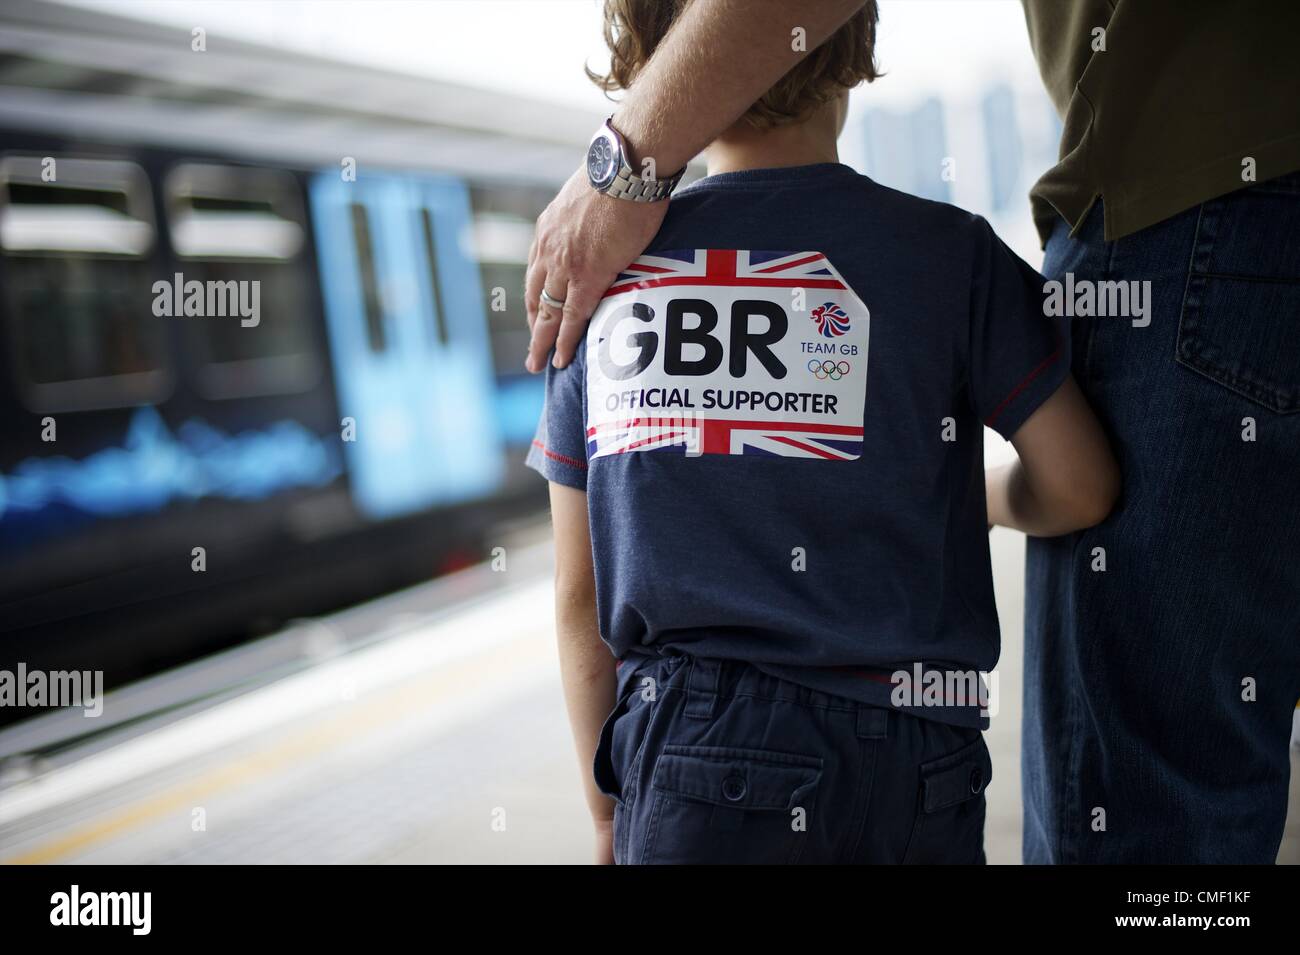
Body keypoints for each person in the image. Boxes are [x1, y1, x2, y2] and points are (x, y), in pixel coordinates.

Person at [527, 0, 1300, 864]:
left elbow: (577, 595)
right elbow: (1083, 486)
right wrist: (983, 497)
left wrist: (605, 816)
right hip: (911, 755)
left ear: (644, 62)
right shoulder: (950, 254)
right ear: (853, 44)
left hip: (692, 765)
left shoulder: (597, 286)